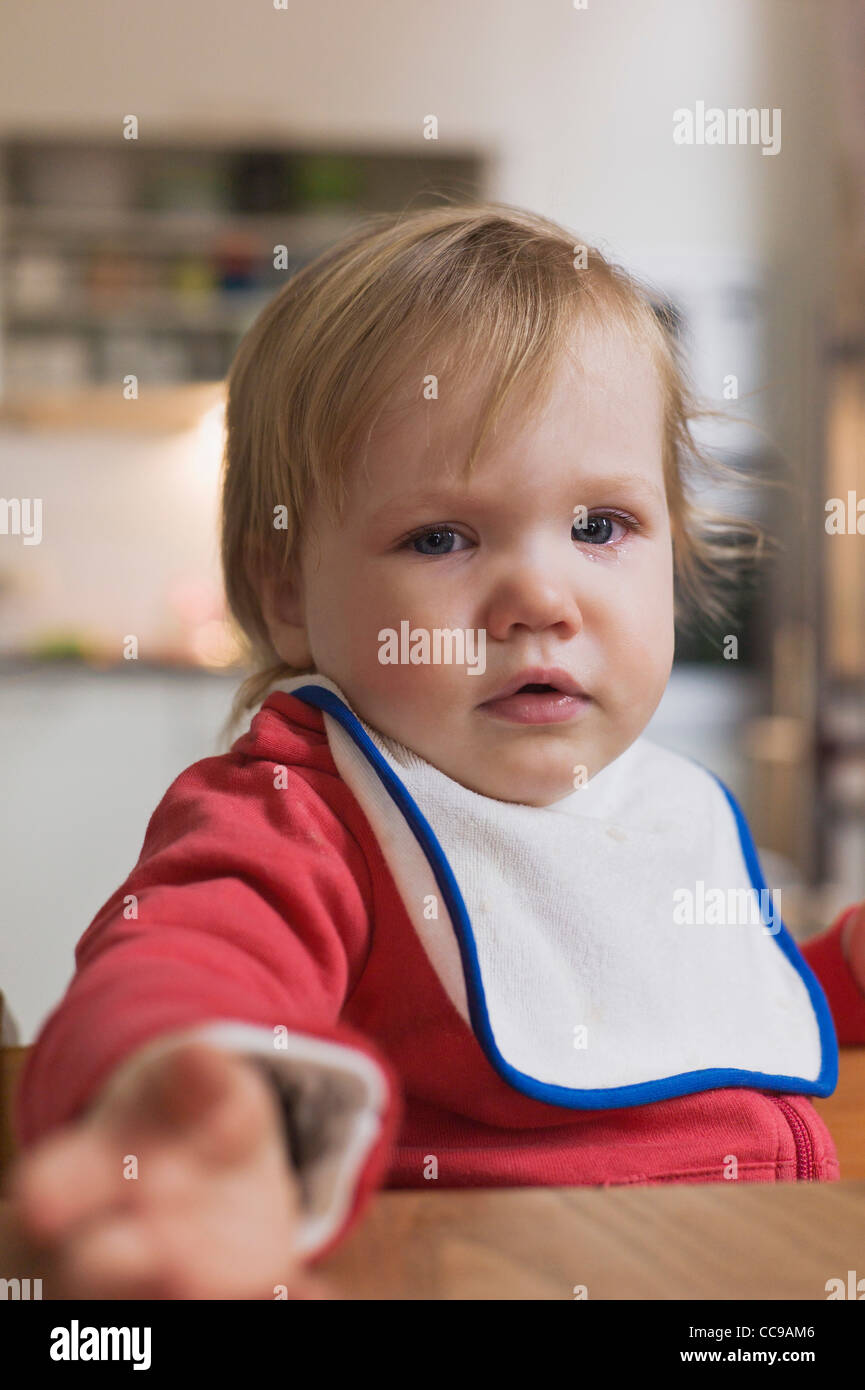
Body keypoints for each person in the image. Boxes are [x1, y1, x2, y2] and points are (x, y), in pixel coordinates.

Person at [7, 203, 865, 1300]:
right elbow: (181, 962)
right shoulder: (309, 807)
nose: (541, 597)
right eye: (441, 537)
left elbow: (684, 1018)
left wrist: (840, 978)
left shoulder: (664, 805)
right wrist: (179, 1095)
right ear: (289, 598)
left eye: (600, 525)